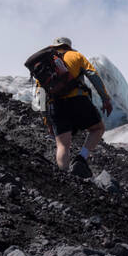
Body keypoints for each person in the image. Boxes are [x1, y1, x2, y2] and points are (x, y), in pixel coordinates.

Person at [33, 37, 113, 177]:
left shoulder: (44, 64)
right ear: (68, 46)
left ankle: (66, 178)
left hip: (55, 105)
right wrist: (105, 98)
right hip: (78, 100)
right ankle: (81, 158)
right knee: (97, 128)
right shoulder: (76, 55)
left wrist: (47, 120)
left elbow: (41, 94)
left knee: (63, 145)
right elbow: (93, 75)